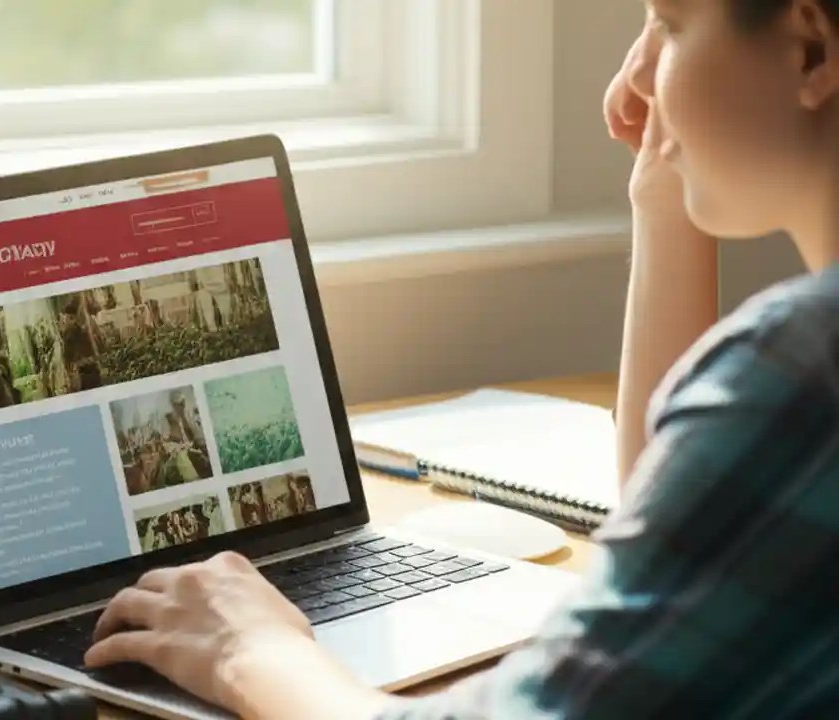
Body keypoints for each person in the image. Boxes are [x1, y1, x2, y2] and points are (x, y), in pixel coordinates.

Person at [82, 1, 839, 718]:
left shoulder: (798, 375)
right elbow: (685, 546)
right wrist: (667, 192)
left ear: (811, 49)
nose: (637, 75)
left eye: (669, 26)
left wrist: (248, 649)